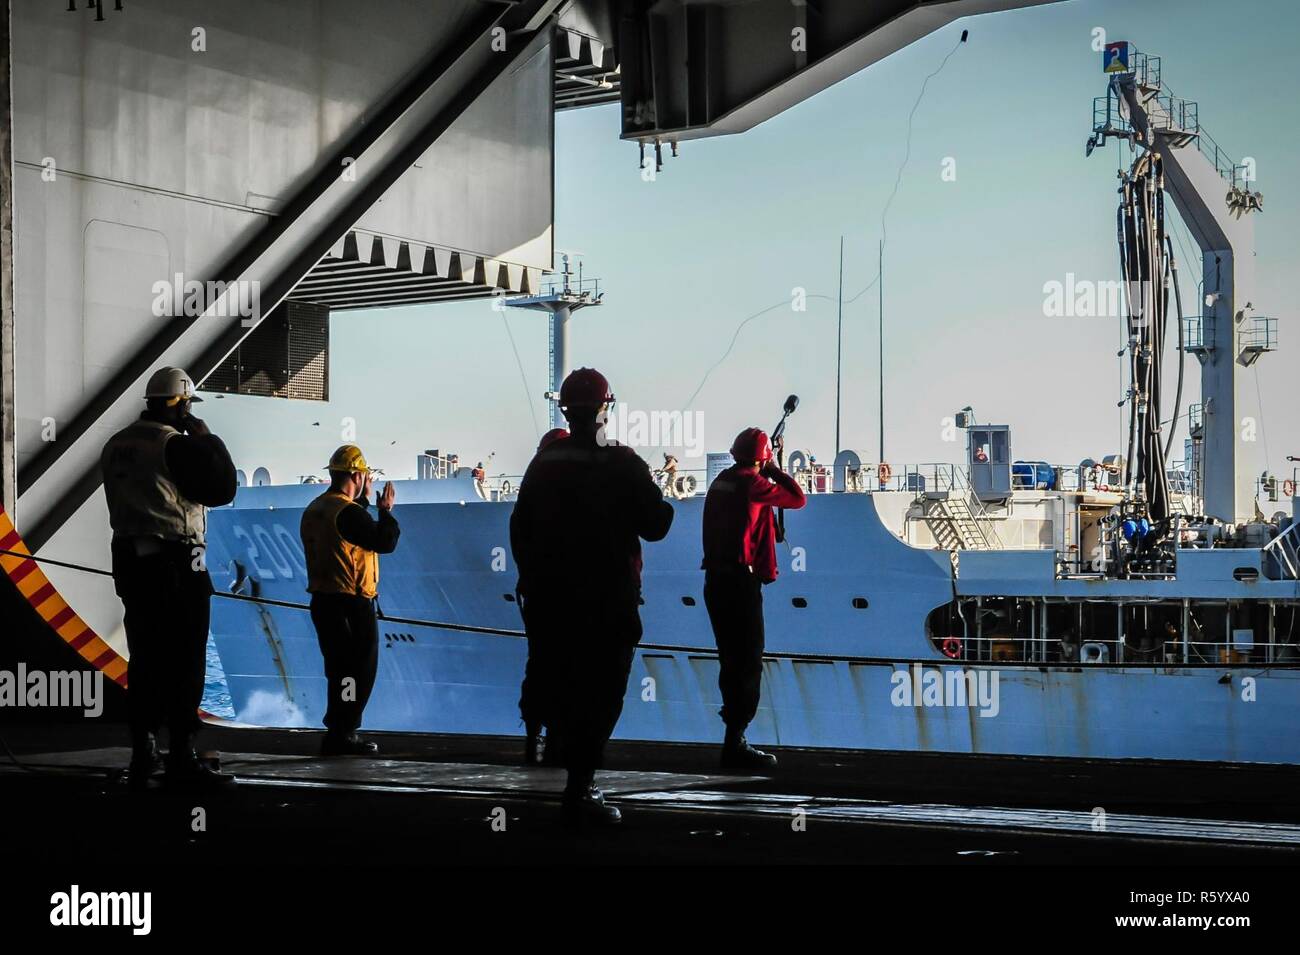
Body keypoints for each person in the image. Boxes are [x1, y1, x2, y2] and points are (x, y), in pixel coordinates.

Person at [510, 369, 673, 824]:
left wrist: (531, 578)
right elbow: (655, 525)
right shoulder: (622, 461)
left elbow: (520, 527)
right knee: (602, 690)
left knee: (561, 678)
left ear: (565, 410)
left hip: (551, 598)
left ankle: (560, 754)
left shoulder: (545, 463)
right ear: (606, 408)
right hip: (608, 598)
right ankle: (581, 787)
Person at [100, 366, 238, 789]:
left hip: (130, 560)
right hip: (177, 563)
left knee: (145, 658)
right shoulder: (174, 445)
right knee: (186, 659)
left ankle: (144, 751)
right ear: (179, 404)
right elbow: (223, 488)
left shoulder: (116, 444)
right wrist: (208, 439)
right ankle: (181, 753)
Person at [701, 426, 806, 769]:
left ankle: (733, 738)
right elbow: (796, 498)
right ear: (761, 458)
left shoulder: (721, 483)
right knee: (747, 660)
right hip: (740, 586)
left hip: (715, 582)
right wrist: (774, 467)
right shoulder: (753, 483)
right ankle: (735, 743)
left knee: (730, 659)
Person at [300, 445, 400, 756]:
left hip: (323, 600)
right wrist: (385, 511)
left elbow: (349, 530)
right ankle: (344, 733)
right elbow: (385, 541)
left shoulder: (316, 508)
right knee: (359, 670)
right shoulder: (349, 512)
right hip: (350, 602)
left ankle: (338, 731)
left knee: (338, 668)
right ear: (357, 475)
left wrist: (365, 502)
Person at [517, 427, 568, 766]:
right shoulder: (576, 489)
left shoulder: (531, 488)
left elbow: (518, 534)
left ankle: (535, 738)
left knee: (540, 664)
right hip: (568, 593)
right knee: (568, 668)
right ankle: (555, 741)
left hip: (538, 591)